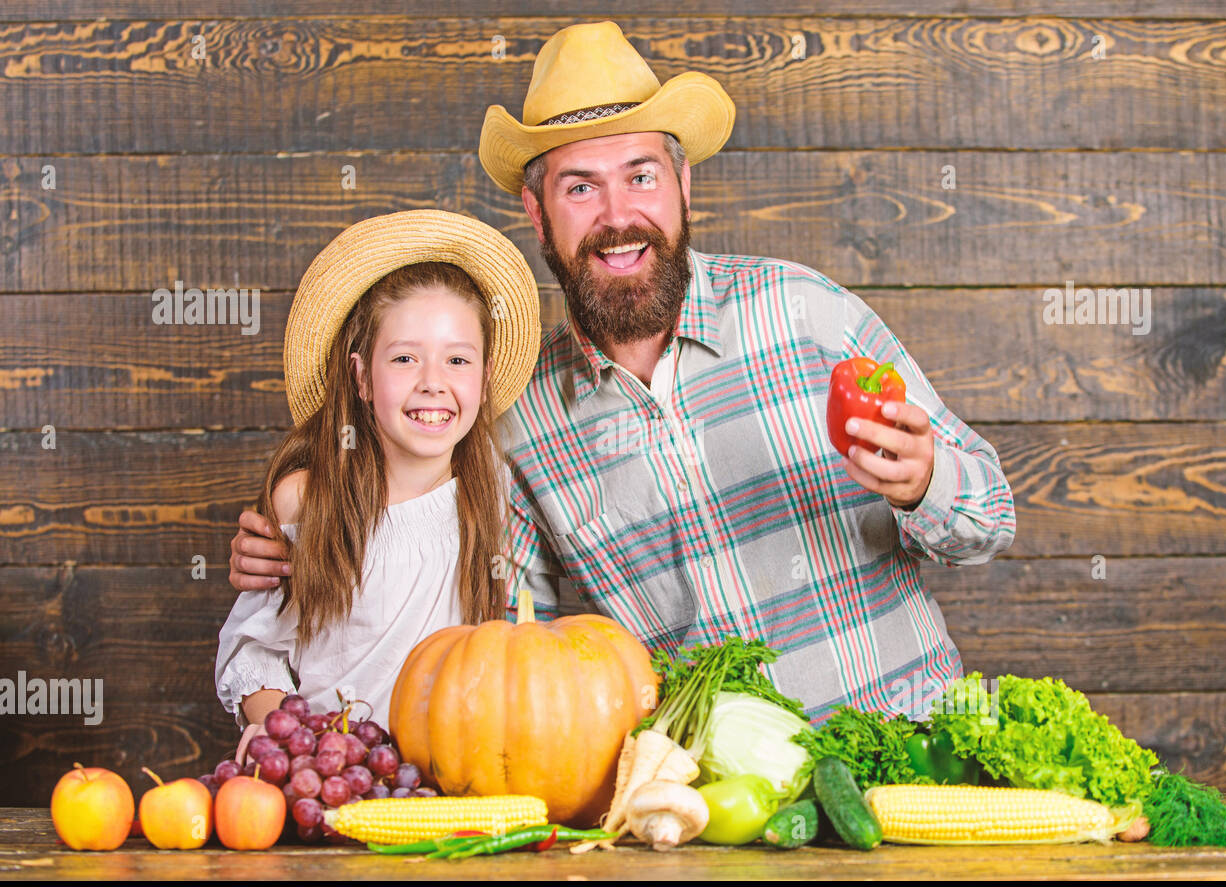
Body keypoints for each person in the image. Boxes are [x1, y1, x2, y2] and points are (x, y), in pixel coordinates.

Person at [229, 22, 1016, 724]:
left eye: (640, 174)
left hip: (912, 755)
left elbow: (990, 517)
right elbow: (504, 629)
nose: (617, 213)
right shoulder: (518, 416)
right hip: (707, 809)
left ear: (681, 186)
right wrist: (310, 537)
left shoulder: (806, 313)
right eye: (580, 187)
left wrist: (924, 483)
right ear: (538, 215)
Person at [214, 209, 540, 757]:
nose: (433, 383)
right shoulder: (308, 499)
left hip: (446, 778)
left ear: (484, 381)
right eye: (405, 358)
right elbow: (255, 649)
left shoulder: (499, 494)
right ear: (362, 376)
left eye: (456, 359)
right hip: (333, 772)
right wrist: (280, 738)